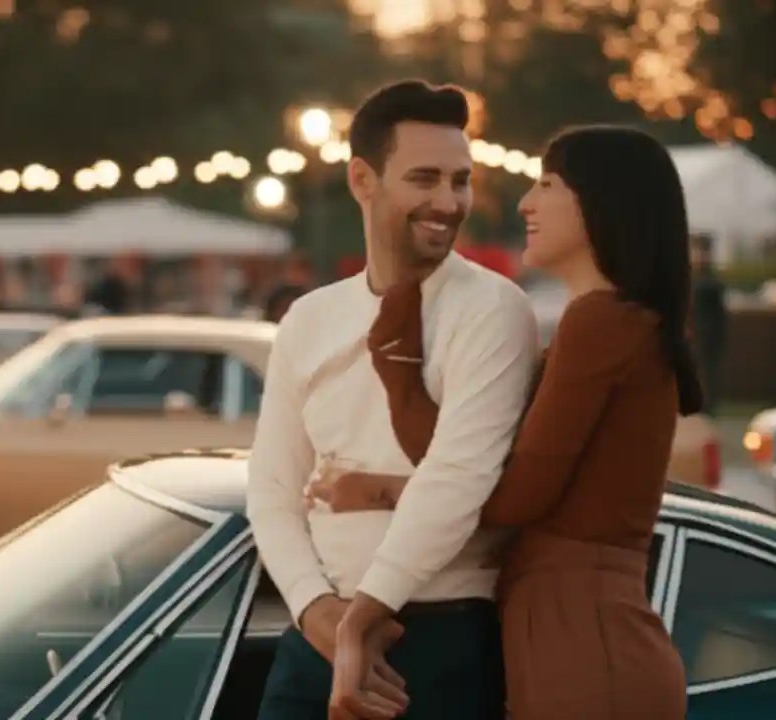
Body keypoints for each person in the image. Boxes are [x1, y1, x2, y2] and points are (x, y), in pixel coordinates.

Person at [311, 125, 697, 720]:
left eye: (547, 184)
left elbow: (510, 498)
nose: (525, 203)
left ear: (603, 203)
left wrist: (381, 490)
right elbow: (465, 470)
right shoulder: (608, 324)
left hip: (585, 643)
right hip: (569, 636)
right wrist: (402, 372)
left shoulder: (602, 324)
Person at [246, 79, 538, 720]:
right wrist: (320, 615)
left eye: (459, 181)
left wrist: (365, 614)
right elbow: (271, 488)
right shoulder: (308, 319)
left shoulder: (493, 310)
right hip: (314, 643)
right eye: (425, 178)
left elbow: (458, 480)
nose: (448, 201)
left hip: (439, 641)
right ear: (362, 180)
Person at [690, 233, 727, 414]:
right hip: (690, 336)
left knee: (707, 376)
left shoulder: (711, 283)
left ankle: (706, 408)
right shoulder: (687, 279)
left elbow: (719, 316)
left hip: (706, 337)